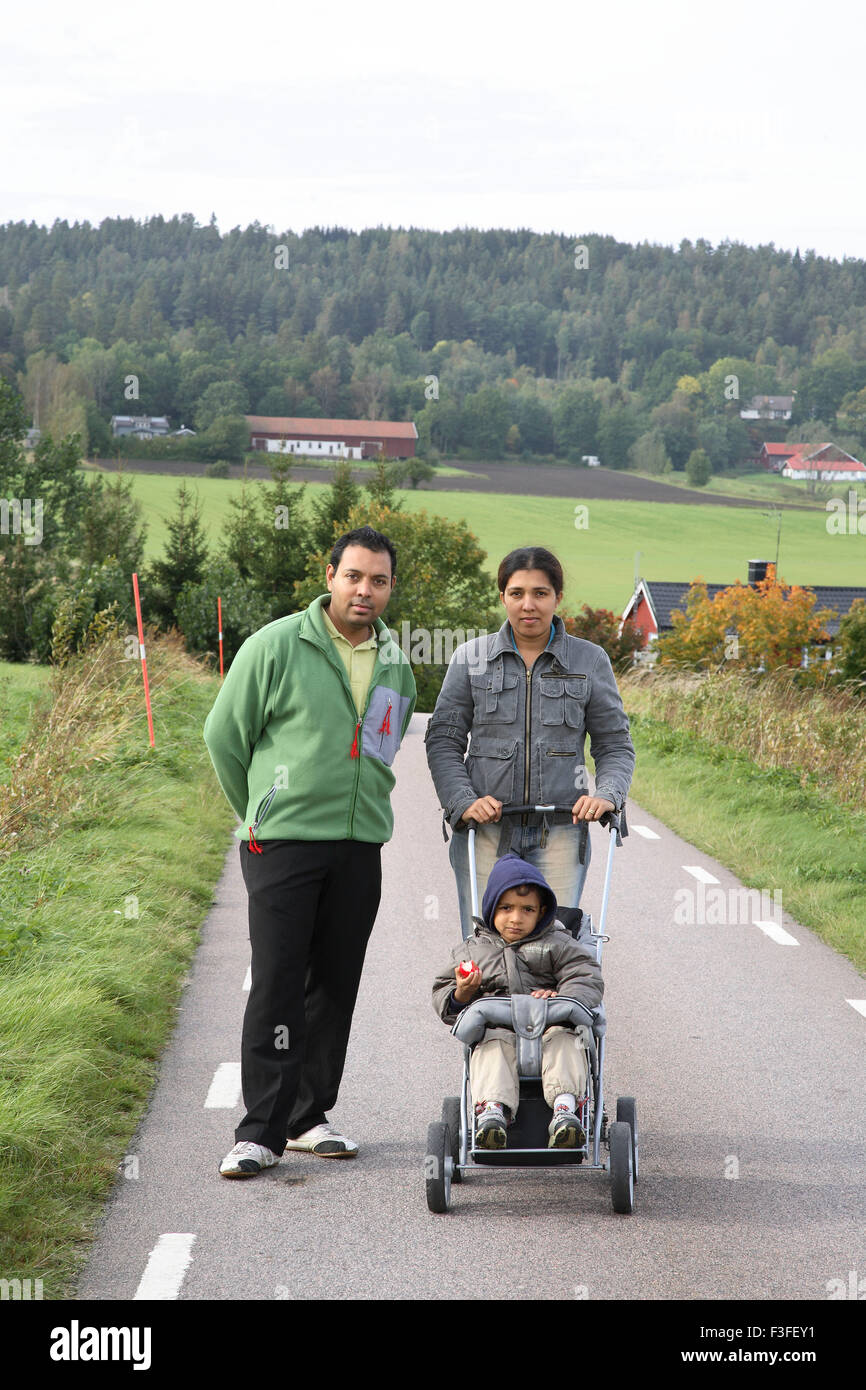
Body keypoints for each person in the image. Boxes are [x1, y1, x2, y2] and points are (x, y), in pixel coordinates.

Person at [203, 525, 416, 1178]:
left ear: (389, 588)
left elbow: (385, 744)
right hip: (282, 843)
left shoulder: (396, 662)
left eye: (378, 580)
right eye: (353, 576)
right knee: (277, 981)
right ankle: (258, 1132)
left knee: (333, 983)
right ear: (329, 577)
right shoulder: (275, 646)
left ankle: (308, 1117)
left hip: (358, 847)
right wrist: (258, 813)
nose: (365, 590)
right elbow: (224, 736)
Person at [425, 545, 635, 938]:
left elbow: (614, 744)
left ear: (557, 597)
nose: (528, 605)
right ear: (502, 595)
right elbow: (443, 740)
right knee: (486, 944)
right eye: (517, 593)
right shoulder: (470, 657)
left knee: (552, 946)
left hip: (560, 831)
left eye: (540, 593)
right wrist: (463, 800)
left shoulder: (590, 661)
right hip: (485, 833)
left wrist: (608, 794)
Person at [431, 854, 603, 1149]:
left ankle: (565, 1111)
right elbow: (444, 995)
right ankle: (492, 1113)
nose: (516, 918)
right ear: (490, 909)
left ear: (542, 912)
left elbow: (585, 976)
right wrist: (462, 992)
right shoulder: (474, 950)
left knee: (567, 1043)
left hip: (552, 1026)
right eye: (506, 908)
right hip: (500, 1030)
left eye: (527, 910)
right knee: (490, 1050)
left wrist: (563, 997)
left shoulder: (558, 943)